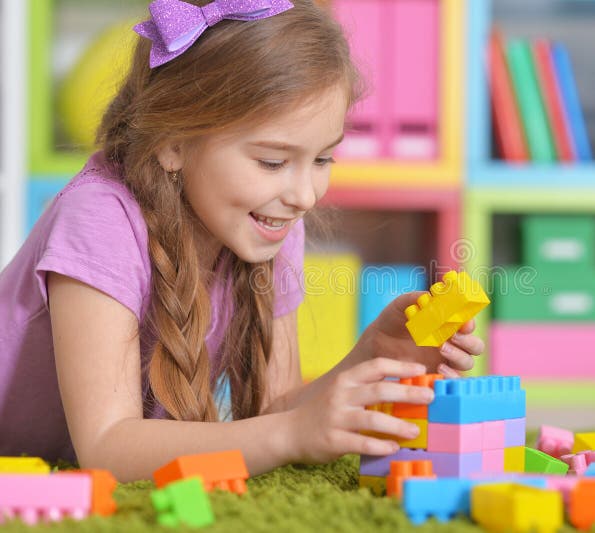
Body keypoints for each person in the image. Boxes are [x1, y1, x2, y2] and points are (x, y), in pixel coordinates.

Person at [0, 0, 484, 482]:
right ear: (173, 143)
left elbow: (275, 414)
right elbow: (109, 448)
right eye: (273, 162)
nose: (304, 196)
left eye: (322, 160)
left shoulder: (267, 223)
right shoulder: (99, 219)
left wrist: (373, 357)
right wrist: (293, 432)